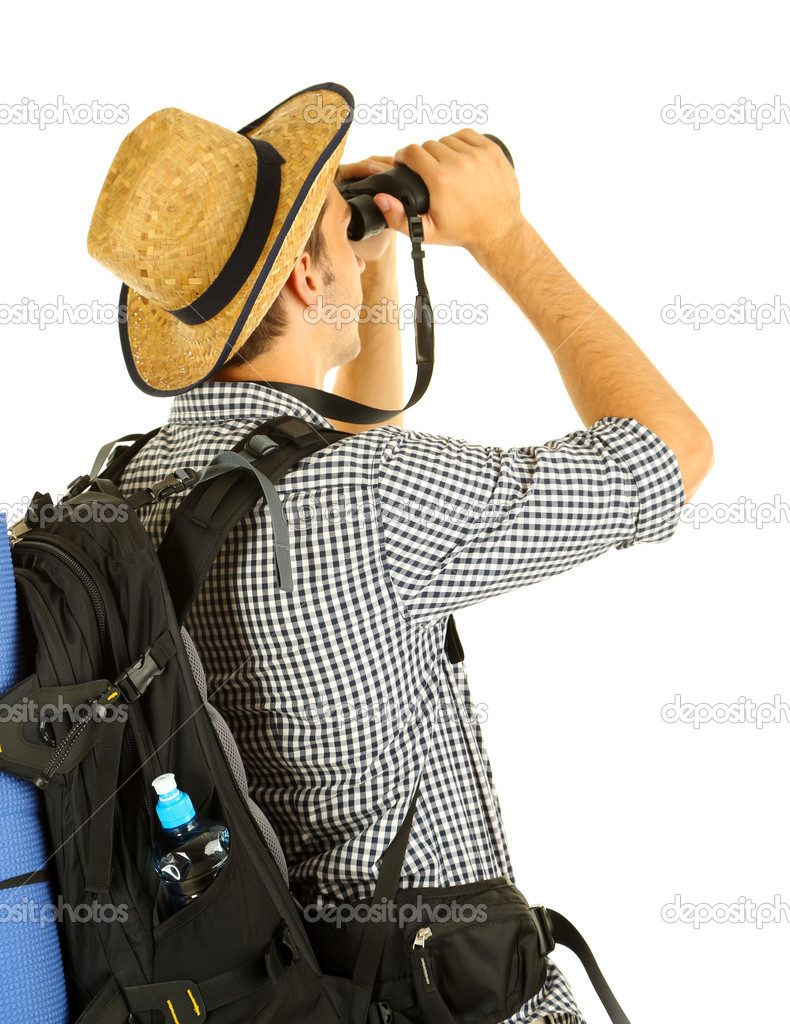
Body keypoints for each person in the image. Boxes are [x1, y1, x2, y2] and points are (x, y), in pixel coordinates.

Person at [88, 85, 713, 1024]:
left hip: (296, 989)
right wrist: (506, 237)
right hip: (455, 996)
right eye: (331, 237)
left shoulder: (126, 492)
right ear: (303, 279)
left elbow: (326, 456)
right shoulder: (374, 498)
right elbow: (670, 454)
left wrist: (368, 277)